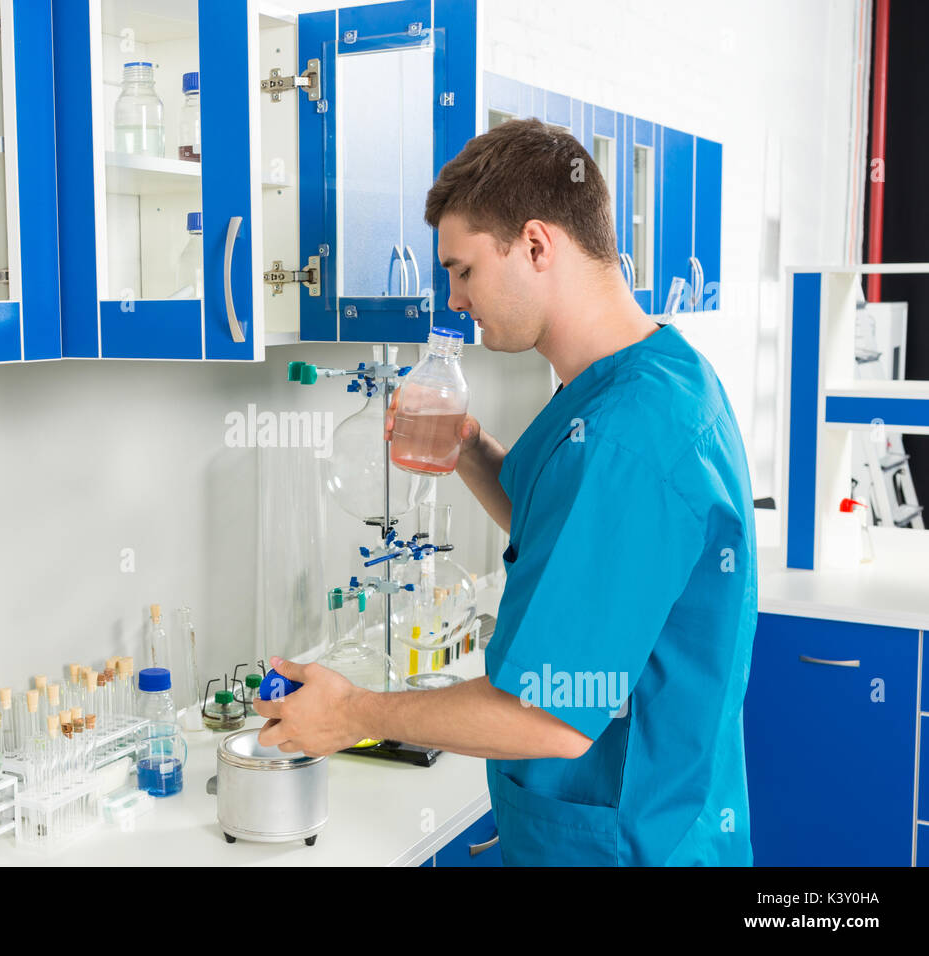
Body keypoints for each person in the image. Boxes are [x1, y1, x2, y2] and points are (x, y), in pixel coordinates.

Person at [254, 118, 757, 866]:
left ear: (535, 245)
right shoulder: (643, 378)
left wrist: (350, 714)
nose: (455, 299)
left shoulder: (629, 435)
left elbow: (550, 717)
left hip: (629, 844)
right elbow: (574, 544)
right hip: (611, 824)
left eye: (462, 270)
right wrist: (469, 450)